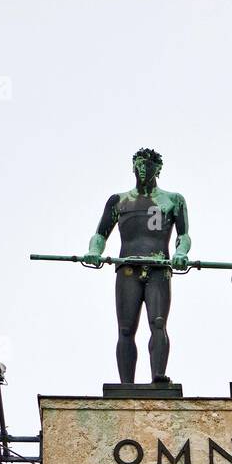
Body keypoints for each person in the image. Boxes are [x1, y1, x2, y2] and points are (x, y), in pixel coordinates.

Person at [87, 148, 190, 385]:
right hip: (128, 268)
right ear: (134, 166)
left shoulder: (173, 200)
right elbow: (100, 235)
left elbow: (183, 235)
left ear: (158, 169)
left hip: (158, 268)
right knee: (125, 328)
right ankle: (126, 385)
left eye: (150, 164)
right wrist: (94, 252)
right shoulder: (119, 201)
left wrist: (181, 253)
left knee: (158, 322)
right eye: (141, 163)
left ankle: (158, 375)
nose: (145, 168)